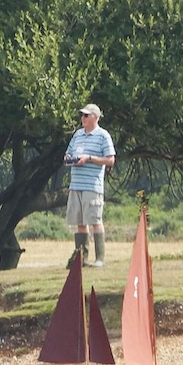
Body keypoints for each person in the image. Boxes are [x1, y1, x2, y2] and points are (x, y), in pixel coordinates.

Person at [65, 103, 116, 267]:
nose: (83, 118)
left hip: (92, 185)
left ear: (95, 117)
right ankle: (82, 259)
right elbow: (69, 151)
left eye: (86, 115)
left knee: (95, 220)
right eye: (82, 115)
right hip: (76, 184)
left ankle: (99, 259)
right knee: (80, 222)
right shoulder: (77, 135)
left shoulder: (103, 136)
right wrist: (68, 158)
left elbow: (110, 160)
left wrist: (89, 158)